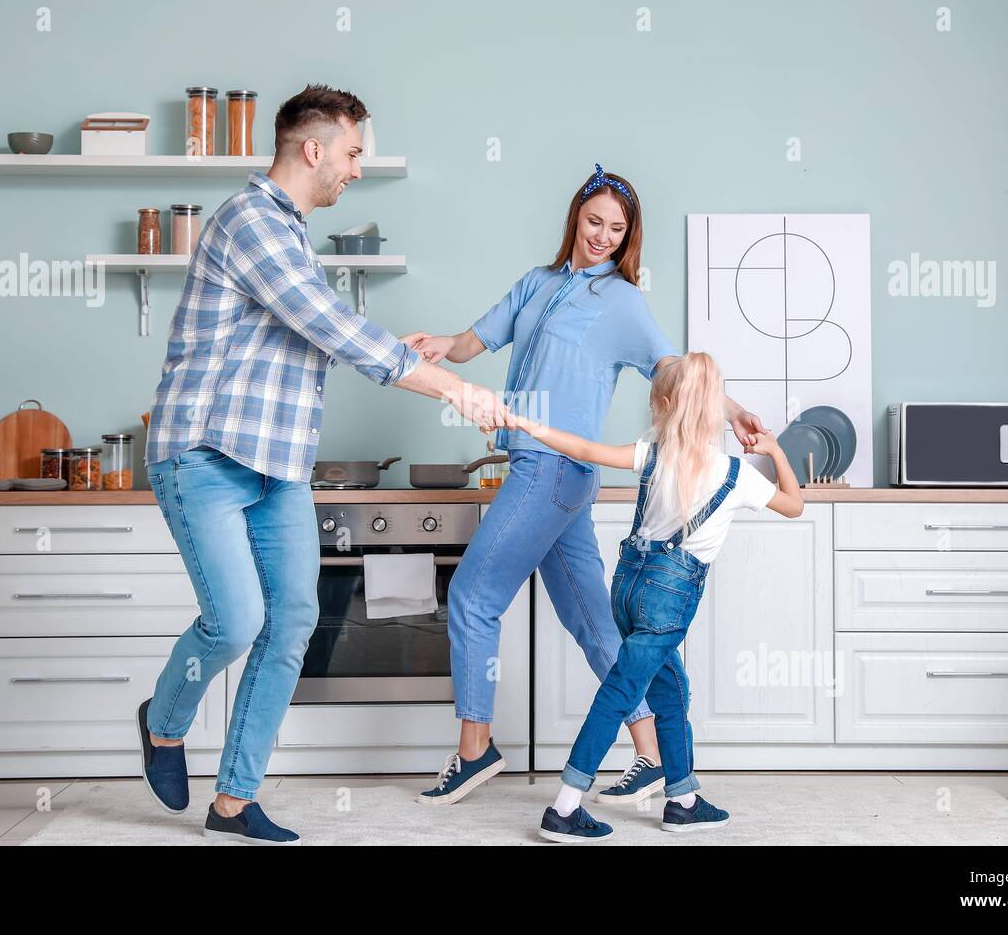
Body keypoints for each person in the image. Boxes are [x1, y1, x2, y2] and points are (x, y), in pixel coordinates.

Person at [138, 85, 508, 845]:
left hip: (275, 466)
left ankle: (234, 801)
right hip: (204, 455)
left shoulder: (294, 235)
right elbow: (335, 330)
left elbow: (321, 337)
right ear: (314, 148)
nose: (356, 170)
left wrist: (422, 357)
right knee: (235, 621)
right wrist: (452, 386)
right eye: (352, 152)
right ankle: (164, 720)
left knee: (294, 621)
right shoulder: (249, 222)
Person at [402, 167, 766, 806]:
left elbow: (676, 370)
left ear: (628, 237)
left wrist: (731, 411)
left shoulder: (622, 300)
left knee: (471, 595)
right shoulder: (535, 285)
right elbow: (471, 342)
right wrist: (434, 346)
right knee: (593, 620)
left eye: (616, 229)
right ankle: (652, 755)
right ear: (576, 217)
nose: (602, 236)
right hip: (543, 474)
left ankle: (474, 749)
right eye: (594, 221)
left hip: (553, 471)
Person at [505, 352, 804, 842]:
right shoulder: (735, 473)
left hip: (627, 589)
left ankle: (683, 799)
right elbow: (794, 505)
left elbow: (583, 448)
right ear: (713, 410)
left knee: (670, 691)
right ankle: (564, 807)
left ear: (665, 405)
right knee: (621, 692)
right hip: (669, 598)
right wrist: (774, 451)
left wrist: (523, 424)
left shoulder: (653, 452)